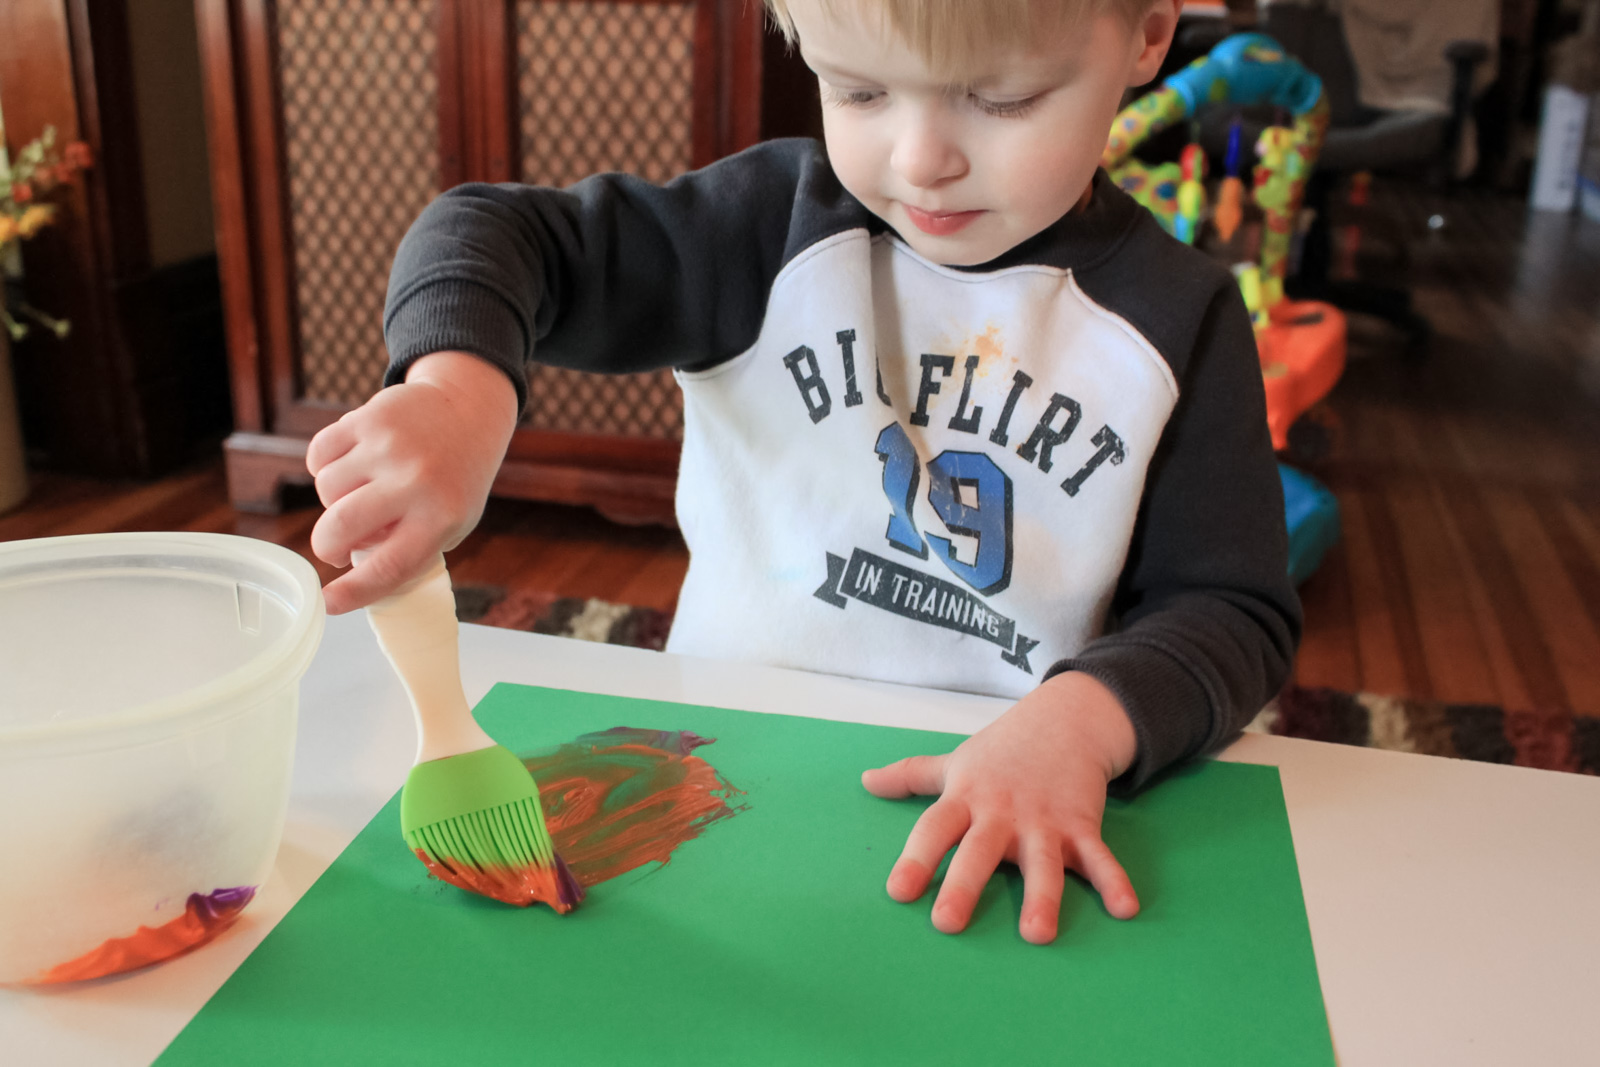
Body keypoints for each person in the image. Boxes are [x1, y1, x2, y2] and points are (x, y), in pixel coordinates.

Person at [305, 0, 1300, 946]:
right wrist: (455, 389)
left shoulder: (1180, 318)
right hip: (714, 778)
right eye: (858, 90)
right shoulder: (763, 229)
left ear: (1148, 34)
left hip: (996, 810)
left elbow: (1231, 609)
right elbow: (499, 232)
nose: (921, 160)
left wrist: (1081, 728)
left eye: (1000, 99)